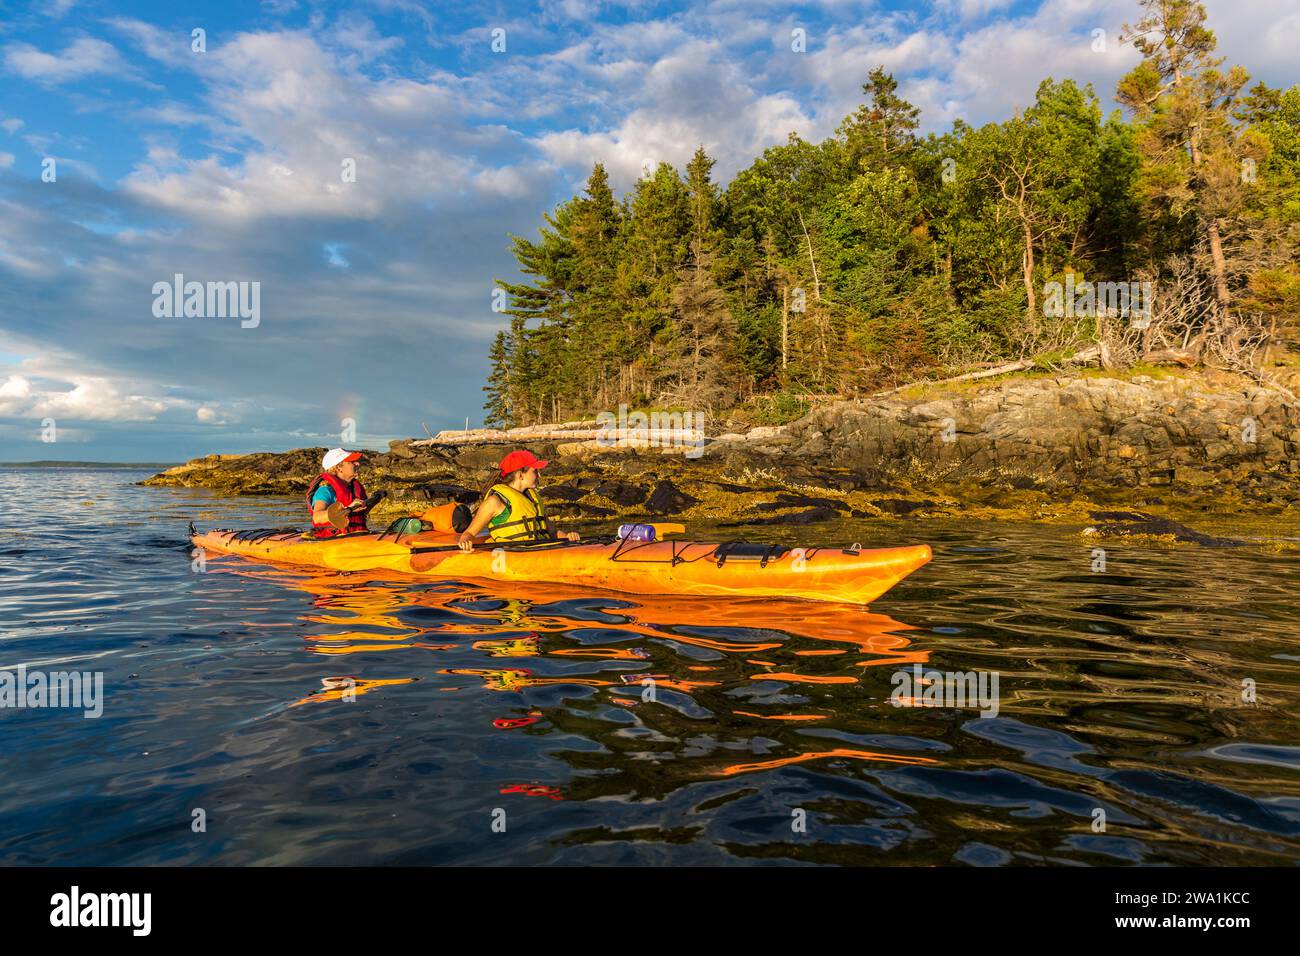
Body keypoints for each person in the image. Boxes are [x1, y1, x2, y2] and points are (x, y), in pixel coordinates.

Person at [457, 450, 580, 552]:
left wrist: (568, 538)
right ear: (520, 475)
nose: (540, 475)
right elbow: (469, 534)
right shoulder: (495, 501)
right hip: (513, 554)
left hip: (540, 551)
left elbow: (552, 531)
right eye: (535, 471)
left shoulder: (532, 499)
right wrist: (465, 543)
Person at [307, 448, 371, 538]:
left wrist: (375, 500)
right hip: (332, 539)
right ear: (338, 468)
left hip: (356, 534)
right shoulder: (325, 491)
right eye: (352, 462)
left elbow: (359, 514)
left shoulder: (353, 489)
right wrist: (348, 508)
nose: (358, 463)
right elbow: (317, 517)